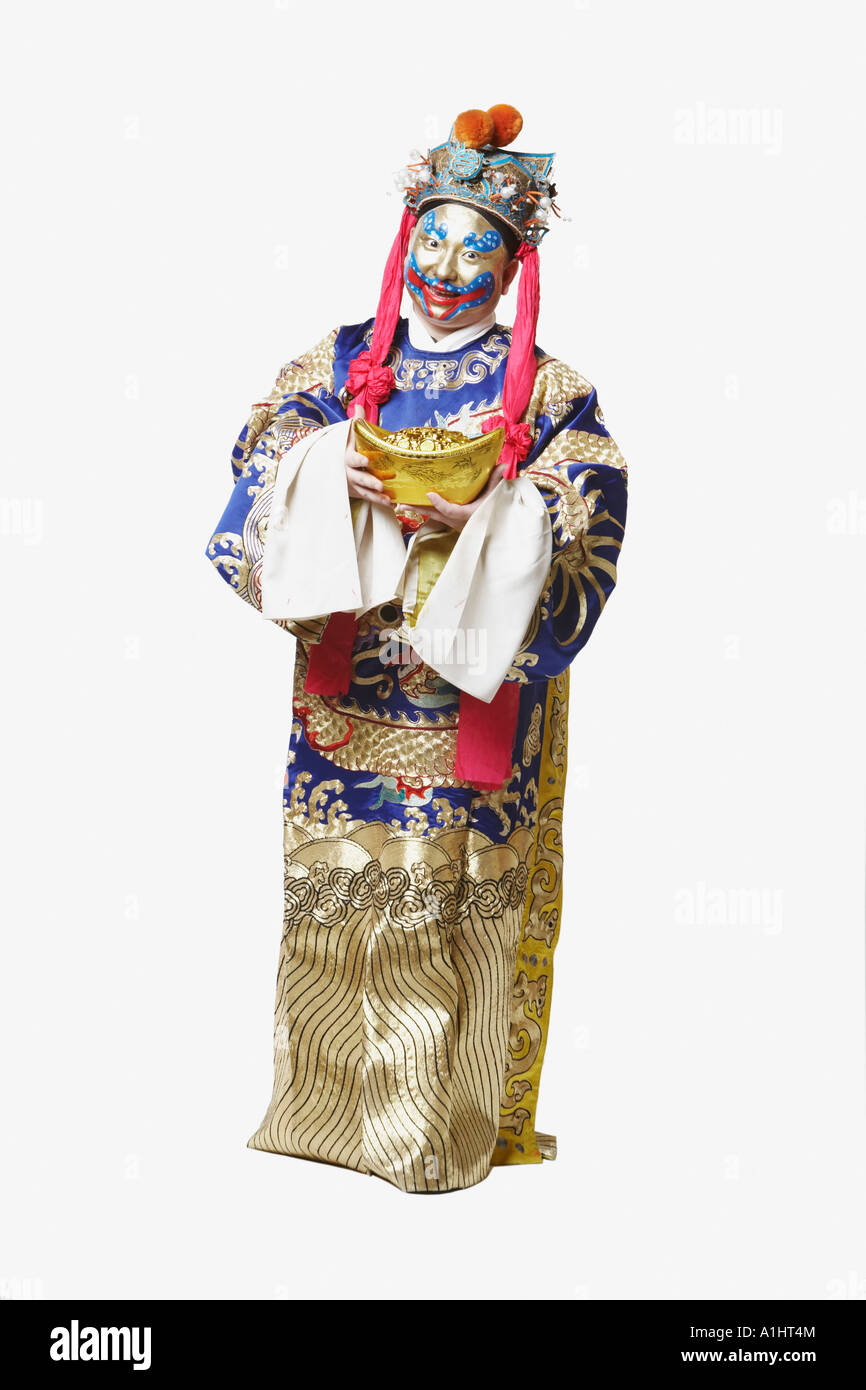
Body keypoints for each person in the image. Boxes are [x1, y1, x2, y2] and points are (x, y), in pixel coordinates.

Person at [207, 104, 628, 1193]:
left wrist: (494, 514)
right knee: (338, 899)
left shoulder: (546, 389)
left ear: (512, 264)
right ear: (405, 245)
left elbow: (586, 501)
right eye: (430, 243)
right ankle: (321, 1116)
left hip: (464, 704)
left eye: (474, 250)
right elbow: (258, 442)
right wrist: (317, 463)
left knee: (449, 902)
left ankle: (441, 1135)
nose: (444, 271)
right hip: (344, 698)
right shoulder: (345, 361)